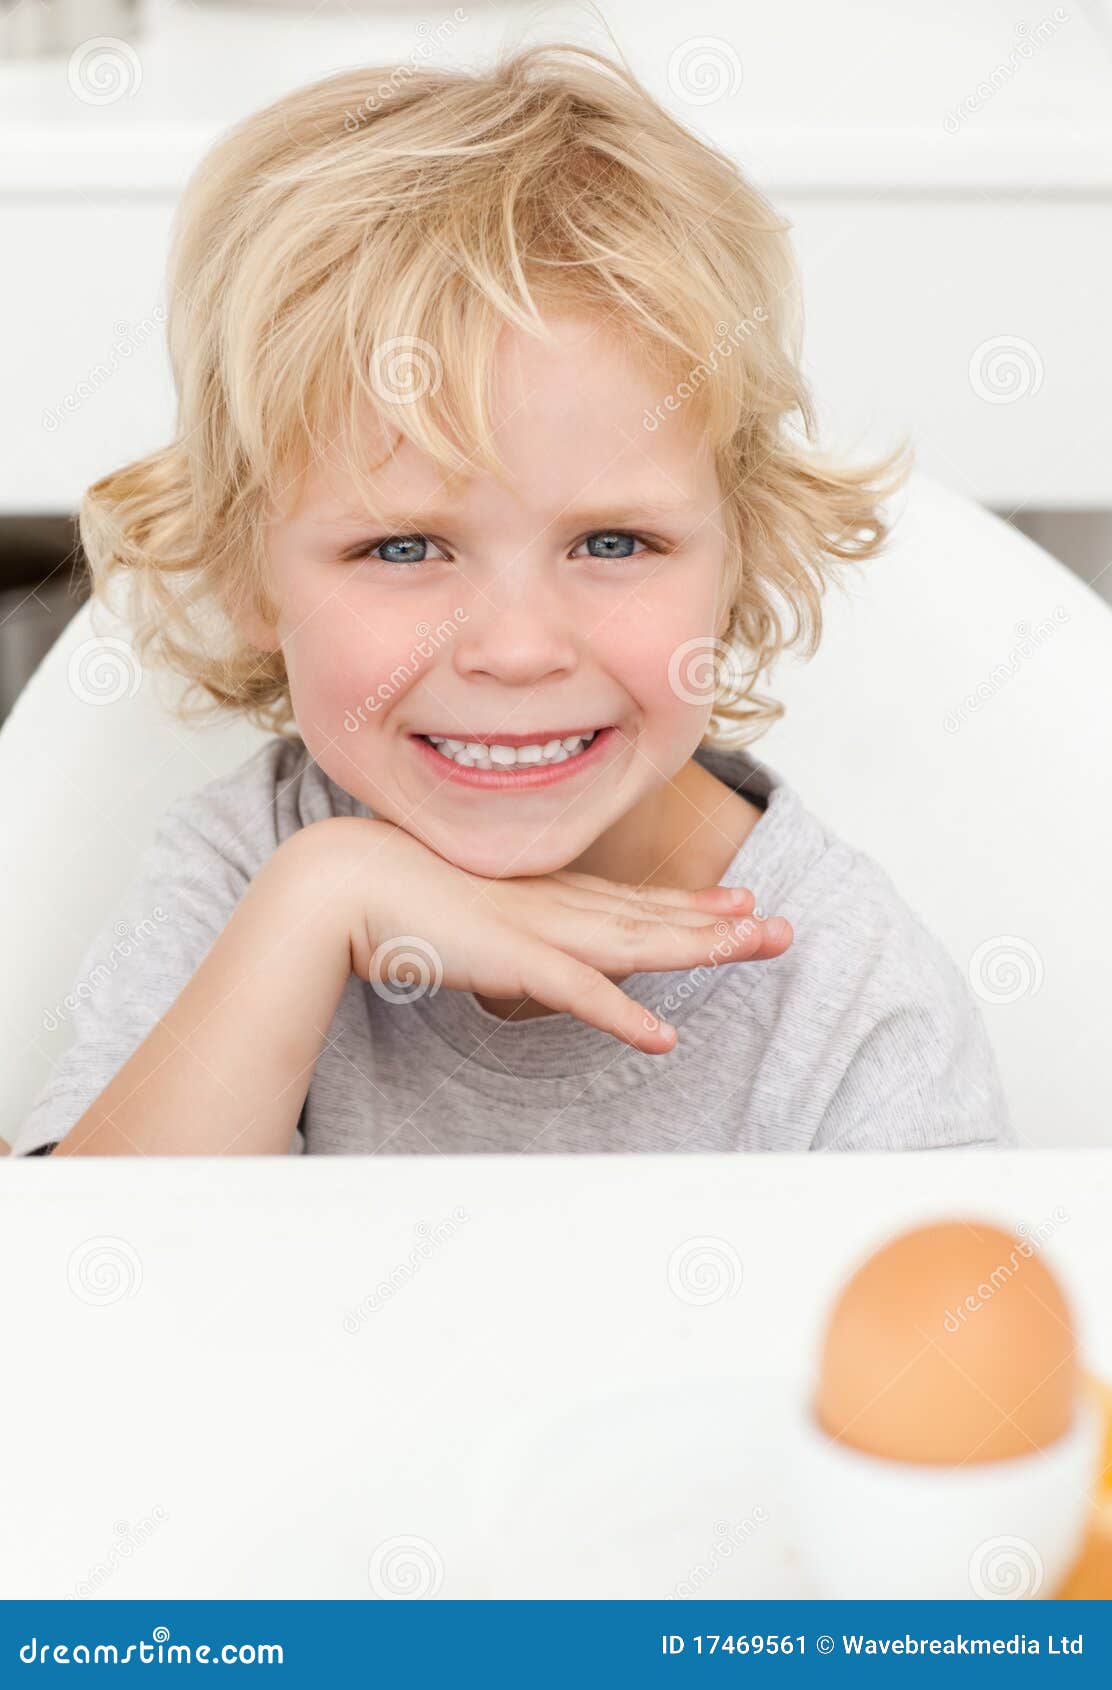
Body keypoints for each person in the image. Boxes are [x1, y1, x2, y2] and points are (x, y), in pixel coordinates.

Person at [13, 44, 1015, 1156]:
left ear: (738, 556)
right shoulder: (252, 869)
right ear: (247, 576)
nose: (516, 647)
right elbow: (79, 1297)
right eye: (403, 547)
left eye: (611, 540)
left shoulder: (846, 995)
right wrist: (320, 904)